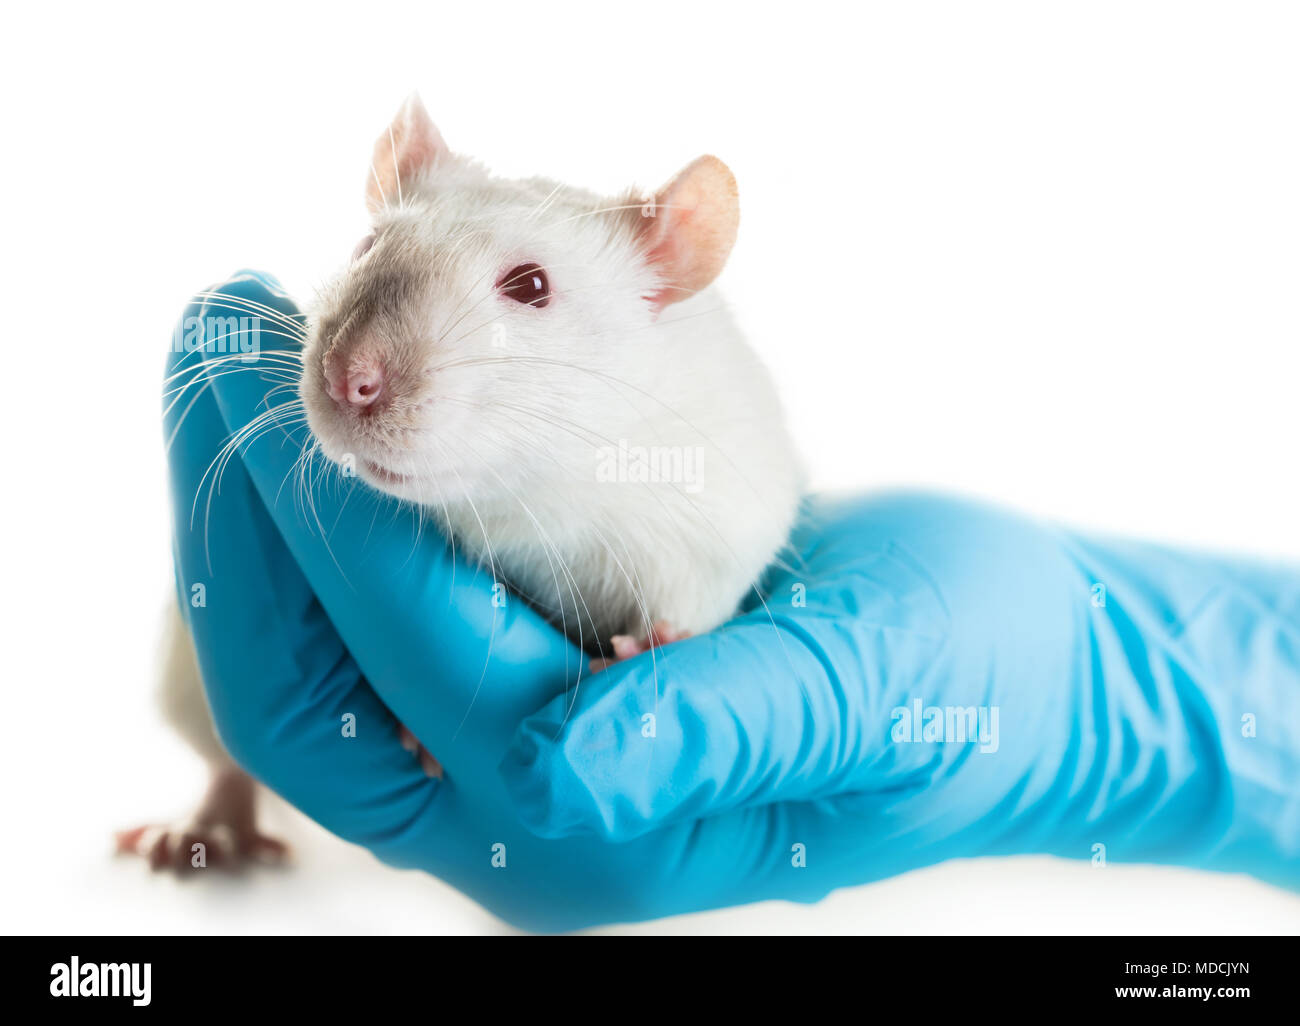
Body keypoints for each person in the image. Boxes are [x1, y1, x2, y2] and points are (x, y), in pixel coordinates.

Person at [164, 272, 1300, 932]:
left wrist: (1103, 701)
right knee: (268, 619)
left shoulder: (689, 439)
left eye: (522, 288)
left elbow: (726, 548)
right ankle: (230, 783)